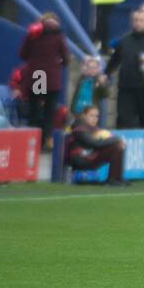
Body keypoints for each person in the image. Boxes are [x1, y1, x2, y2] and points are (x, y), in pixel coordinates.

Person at [105, 8, 144, 129]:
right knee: (124, 119)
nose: (138, 23)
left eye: (141, 20)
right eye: (135, 20)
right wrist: (106, 74)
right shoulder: (125, 39)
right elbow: (115, 59)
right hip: (127, 87)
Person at [17, 12, 70, 149]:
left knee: (34, 109)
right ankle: (47, 140)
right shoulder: (58, 35)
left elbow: (23, 54)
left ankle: (32, 142)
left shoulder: (33, 34)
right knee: (49, 111)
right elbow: (66, 58)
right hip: (52, 77)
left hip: (38, 75)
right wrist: (58, 64)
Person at [65, 104, 128, 185]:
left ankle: (117, 178)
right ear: (84, 116)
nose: (95, 119)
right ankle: (112, 180)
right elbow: (93, 143)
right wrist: (115, 139)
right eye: (91, 116)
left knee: (118, 145)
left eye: (97, 116)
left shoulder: (93, 128)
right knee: (117, 144)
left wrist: (114, 140)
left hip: (89, 156)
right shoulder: (79, 128)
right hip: (80, 159)